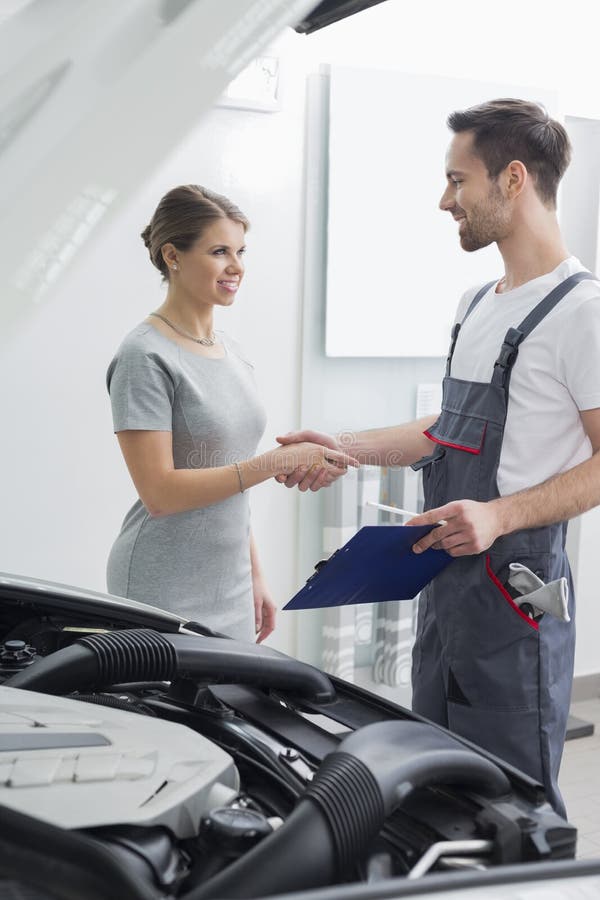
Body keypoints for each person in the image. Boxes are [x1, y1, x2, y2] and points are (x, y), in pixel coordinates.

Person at [277, 99, 600, 817]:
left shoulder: (585, 312)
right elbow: (449, 429)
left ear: (512, 179)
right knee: (438, 790)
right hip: (445, 590)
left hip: (516, 601)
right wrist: (348, 447)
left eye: (458, 180)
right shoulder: (477, 300)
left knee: (511, 808)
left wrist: (500, 513)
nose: (444, 200)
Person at [106, 184, 355, 643]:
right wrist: (276, 461)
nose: (237, 267)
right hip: (162, 585)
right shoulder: (144, 356)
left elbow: (229, 486)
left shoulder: (232, 354)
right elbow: (160, 493)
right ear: (172, 256)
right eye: (219, 251)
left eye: (240, 251)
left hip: (230, 581)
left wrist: (254, 574)